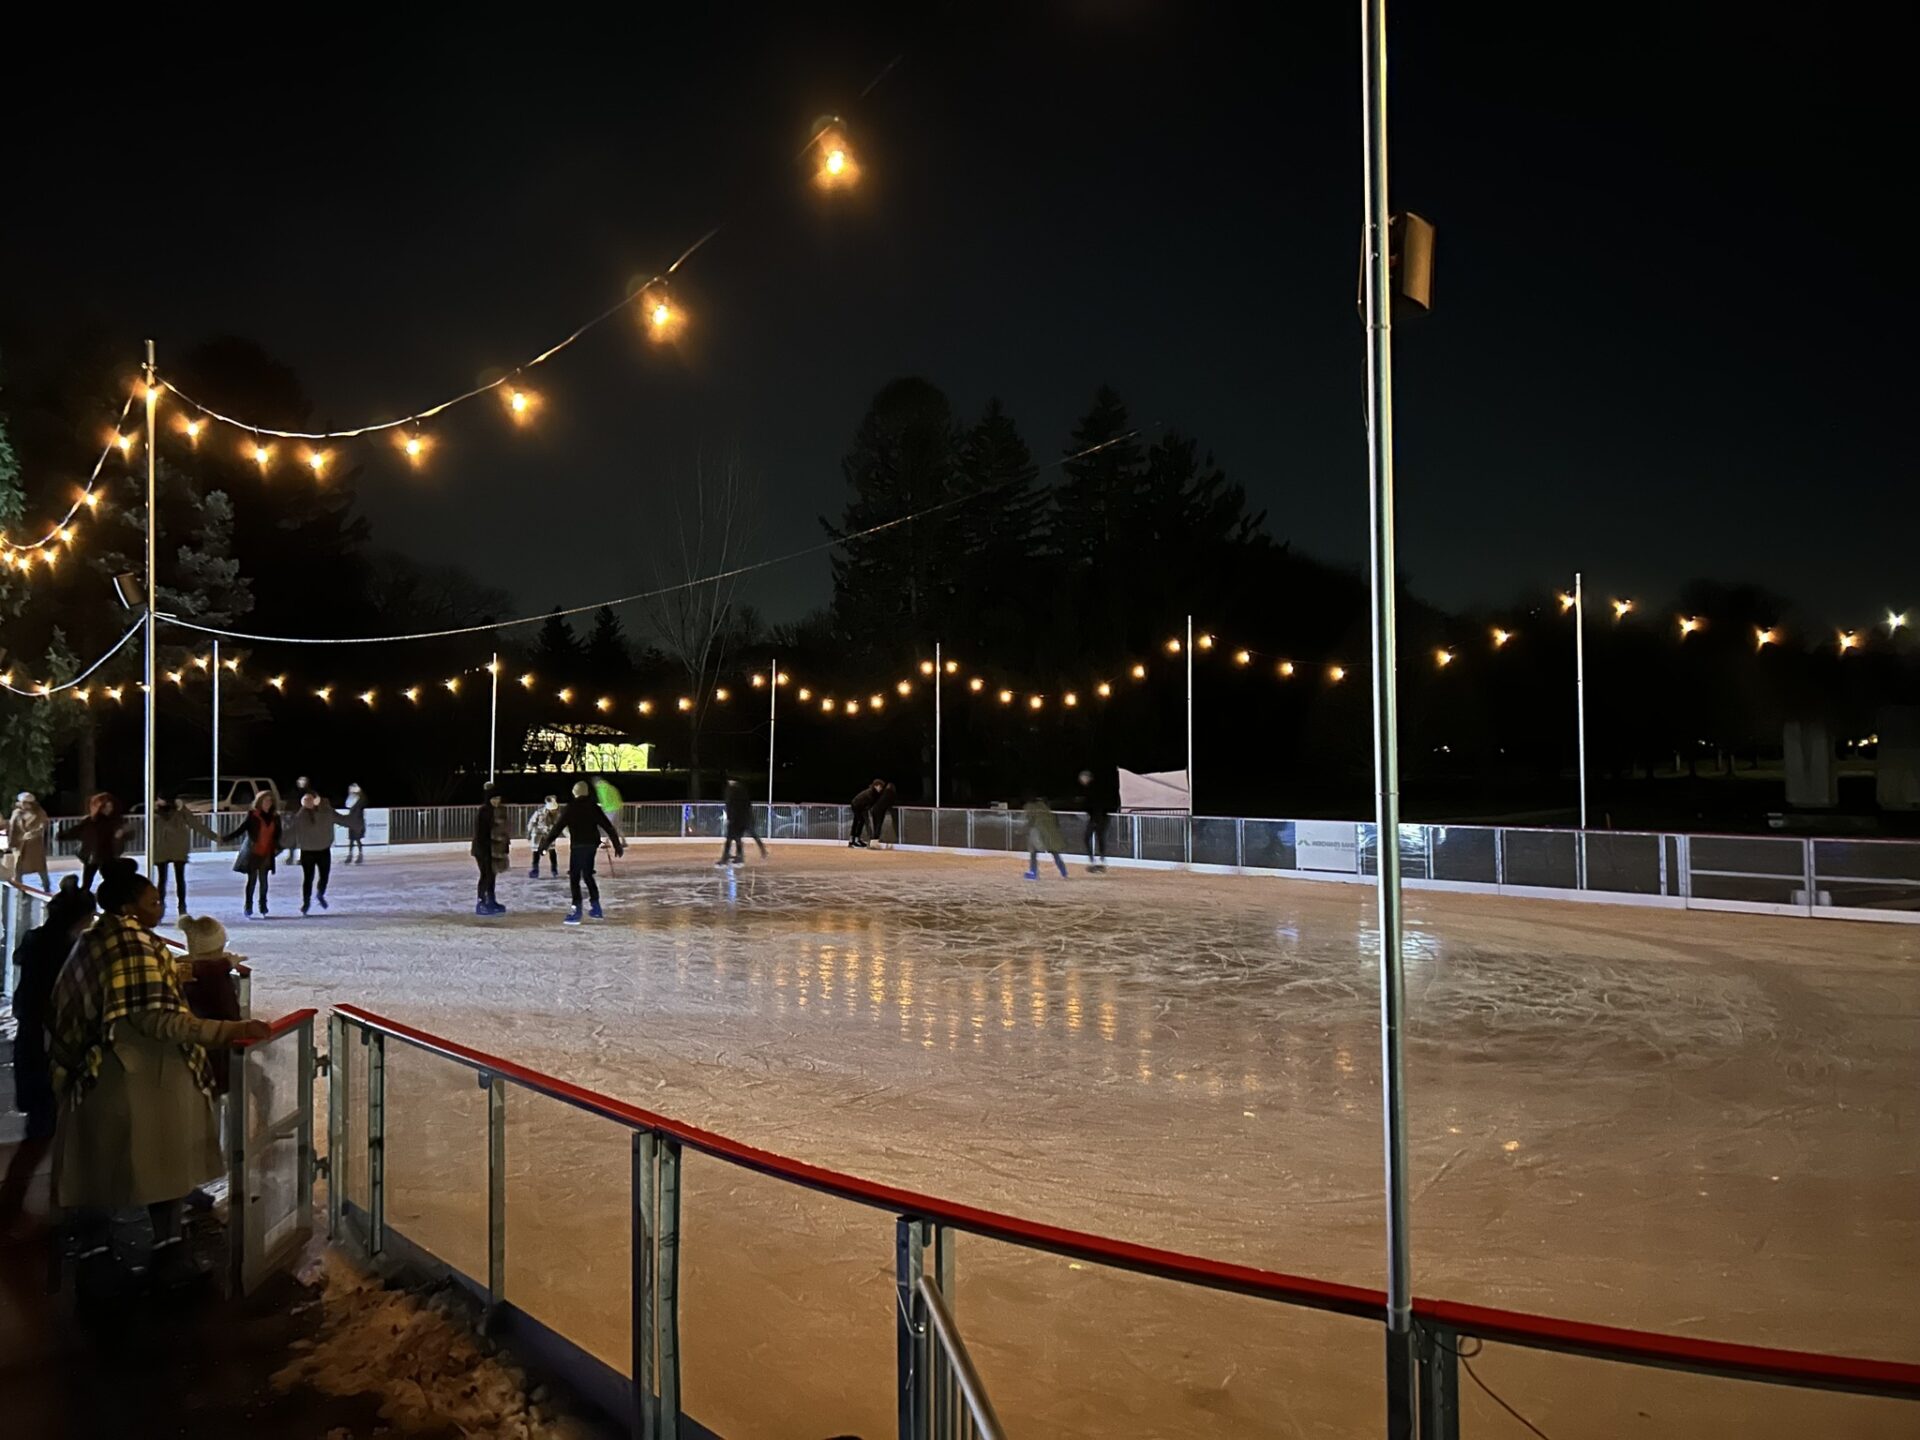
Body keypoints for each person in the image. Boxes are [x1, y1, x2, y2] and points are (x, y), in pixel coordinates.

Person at [47, 861, 269, 1279]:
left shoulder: (96, 940)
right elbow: (158, 1020)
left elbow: (75, 1004)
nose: (160, 907)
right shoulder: (133, 947)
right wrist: (231, 1030)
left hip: (99, 1072)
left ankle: (98, 1255)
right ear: (129, 907)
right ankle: (165, 1257)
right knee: (160, 1167)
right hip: (139, 1078)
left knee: (105, 1166)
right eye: (153, 901)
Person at [0, 878, 97, 1238]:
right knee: (45, 1132)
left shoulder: (37, 943)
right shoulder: (67, 954)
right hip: (49, 1052)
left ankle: (23, 1203)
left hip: (32, 1047)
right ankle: (17, 1207)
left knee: (43, 1131)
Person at [178, 915, 247, 1095]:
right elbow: (229, 1015)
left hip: (194, 1049)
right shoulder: (215, 979)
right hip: (216, 1051)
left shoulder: (184, 968)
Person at [560, 780, 623, 925]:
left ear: (575, 793)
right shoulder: (593, 807)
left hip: (578, 846)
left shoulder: (571, 808)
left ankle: (576, 910)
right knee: (588, 875)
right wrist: (617, 844)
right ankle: (596, 907)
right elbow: (608, 827)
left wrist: (545, 844)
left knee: (575, 877)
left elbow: (558, 827)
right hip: (590, 846)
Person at [149, 796, 219, 917]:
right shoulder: (156, 812)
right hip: (166, 848)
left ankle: (179, 907)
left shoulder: (178, 812)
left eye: (160, 798)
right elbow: (142, 824)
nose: (158, 801)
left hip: (173, 848)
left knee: (172, 879)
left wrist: (214, 837)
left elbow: (196, 824)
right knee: (166, 879)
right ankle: (168, 907)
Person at [283, 791, 348, 915]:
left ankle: (320, 893)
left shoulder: (326, 812)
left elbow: (342, 820)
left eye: (310, 800)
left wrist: (355, 822)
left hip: (323, 850)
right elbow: (291, 830)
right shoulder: (301, 816)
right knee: (308, 878)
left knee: (324, 876)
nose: (308, 802)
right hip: (307, 851)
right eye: (305, 800)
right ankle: (306, 903)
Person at [225, 790, 283, 918]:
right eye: (265, 801)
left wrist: (280, 847)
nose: (268, 803)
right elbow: (241, 829)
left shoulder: (275, 817)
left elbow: (278, 834)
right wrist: (226, 838)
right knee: (252, 880)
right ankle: (248, 906)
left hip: (267, 853)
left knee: (264, 881)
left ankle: (263, 906)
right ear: (259, 802)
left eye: (270, 801)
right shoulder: (253, 815)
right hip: (253, 852)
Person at [59, 792, 126, 890]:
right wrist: (62, 836)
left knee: (111, 880)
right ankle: (84, 896)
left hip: (109, 855)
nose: (108, 809)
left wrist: (121, 835)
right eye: (105, 807)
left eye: (110, 806)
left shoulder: (116, 820)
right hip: (94, 855)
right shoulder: (91, 821)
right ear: (100, 807)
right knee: (87, 882)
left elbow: (127, 834)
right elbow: (76, 831)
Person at [471, 783, 511, 916]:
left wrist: (505, 846)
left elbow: (504, 831)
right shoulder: (484, 811)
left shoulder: (500, 811)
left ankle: (491, 900)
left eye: (498, 798)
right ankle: (481, 902)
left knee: (492, 875)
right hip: (482, 849)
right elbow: (480, 834)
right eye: (494, 798)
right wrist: (484, 851)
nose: (496, 801)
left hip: (494, 849)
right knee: (486, 875)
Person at [6, 790, 51, 891]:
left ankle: (46, 887)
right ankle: (19, 889)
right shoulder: (17, 813)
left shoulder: (39, 813)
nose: (23, 805)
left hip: (34, 846)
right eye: (22, 802)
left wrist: (33, 833)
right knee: (18, 868)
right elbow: (12, 828)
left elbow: (43, 826)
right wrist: (11, 843)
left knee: (40, 868)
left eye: (25, 803)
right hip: (20, 845)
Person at [717, 779, 766, 866]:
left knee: (732, 839)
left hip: (737, 820)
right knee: (739, 837)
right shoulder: (741, 792)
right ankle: (738, 857)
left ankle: (728, 858)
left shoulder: (732, 792)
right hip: (743, 819)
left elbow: (731, 807)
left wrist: (731, 818)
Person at [1023, 796, 1069, 881]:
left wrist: (1024, 830)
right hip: (1050, 833)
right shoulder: (1045, 808)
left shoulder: (1031, 807)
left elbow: (1030, 821)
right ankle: (1064, 872)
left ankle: (1033, 872)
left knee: (1033, 851)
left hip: (1039, 832)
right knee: (1054, 851)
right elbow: (1055, 821)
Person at [1075, 769, 1111, 873]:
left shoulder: (1091, 789)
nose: (1081, 781)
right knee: (1098, 838)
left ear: (1087, 778)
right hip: (1099, 817)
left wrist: (1095, 818)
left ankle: (1097, 860)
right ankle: (1098, 859)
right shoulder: (1093, 788)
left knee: (1091, 838)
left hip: (1098, 817)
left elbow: (1095, 804)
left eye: (1082, 778)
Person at [528, 795, 563, 877]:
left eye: (554, 810)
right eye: (552, 810)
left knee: (552, 851)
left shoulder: (557, 815)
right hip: (538, 835)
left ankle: (554, 869)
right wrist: (529, 832)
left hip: (549, 835)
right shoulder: (539, 812)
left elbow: (559, 825)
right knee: (536, 852)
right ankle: (535, 870)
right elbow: (532, 822)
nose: (554, 811)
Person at [848, 778, 884, 848]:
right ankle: (854, 841)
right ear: (875, 786)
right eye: (880, 786)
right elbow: (867, 806)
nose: (881, 789)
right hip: (857, 805)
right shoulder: (870, 793)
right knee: (860, 821)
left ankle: (854, 840)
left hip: (859, 806)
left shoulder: (873, 793)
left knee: (858, 822)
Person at [341, 783, 368, 863]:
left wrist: (359, 792)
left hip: (358, 822)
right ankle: (350, 855)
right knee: (352, 840)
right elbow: (347, 805)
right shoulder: (352, 799)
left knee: (357, 839)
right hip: (352, 822)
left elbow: (363, 800)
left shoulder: (360, 799)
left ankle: (360, 855)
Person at [871, 780, 900, 847]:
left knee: (876, 826)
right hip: (879, 811)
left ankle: (873, 841)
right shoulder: (890, 793)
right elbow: (890, 803)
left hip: (875, 809)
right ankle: (875, 842)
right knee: (878, 825)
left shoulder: (885, 792)